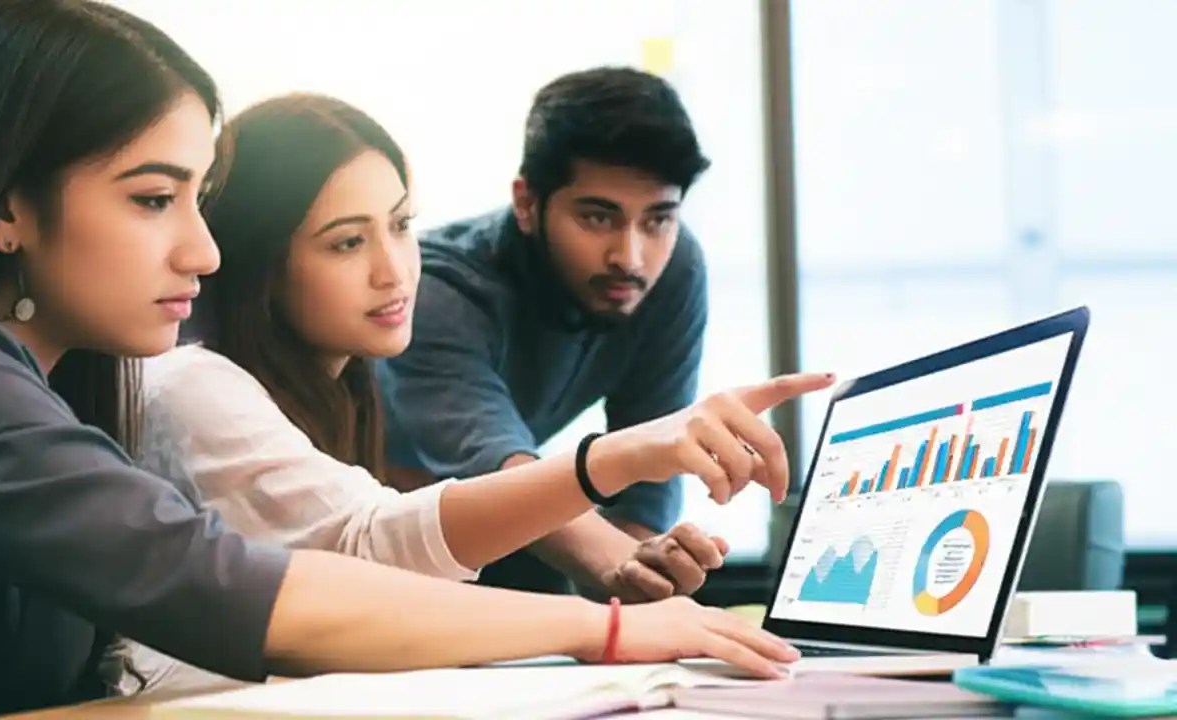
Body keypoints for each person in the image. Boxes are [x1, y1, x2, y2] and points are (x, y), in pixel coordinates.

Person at [0, 2, 819, 716]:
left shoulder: (61, 386)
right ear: (5, 207)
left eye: (198, 200)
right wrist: (608, 630)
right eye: (151, 200)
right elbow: (234, 583)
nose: (202, 252)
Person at [129, 93, 832, 694]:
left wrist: (636, 583)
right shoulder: (192, 383)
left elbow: (379, 573)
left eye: (402, 225)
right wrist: (615, 483)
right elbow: (369, 545)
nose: (395, 271)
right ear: (258, 261)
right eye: (347, 243)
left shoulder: (344, 387)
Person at [379, 66, 728, 596]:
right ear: (527, 203)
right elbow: (498, 470)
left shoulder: (675, 269)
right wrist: (621, 568)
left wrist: (642, 584)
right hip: (372, 525)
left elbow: (653, 462)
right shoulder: (441, 288)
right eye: (597, 218)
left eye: (657, 219)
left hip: (514, 516)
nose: (629, 258)